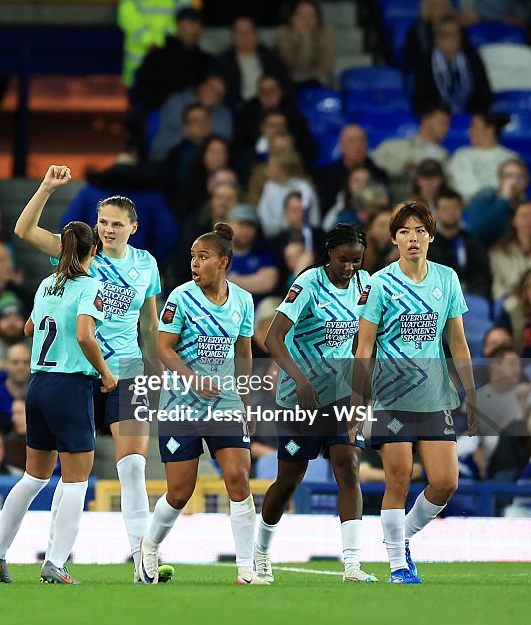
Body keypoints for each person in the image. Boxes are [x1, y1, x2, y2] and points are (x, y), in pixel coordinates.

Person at [14, 164, 168, 576]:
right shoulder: (79, 255)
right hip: (79, 372)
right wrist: (46, 188)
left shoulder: (146, 265)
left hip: (128, 371)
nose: (107, 230)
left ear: (133, 227)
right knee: (69, 476)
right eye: (102, 222)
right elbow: (27, 230)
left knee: (133, 467)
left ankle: (142, 559)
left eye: (117, 224)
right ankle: (55, 558)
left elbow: (149, 324)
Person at [0, 221, 116, 585]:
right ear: (93, 251)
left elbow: (28, 329)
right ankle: (55, 562)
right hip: (70, 386)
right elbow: (85, 334)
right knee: (76, 481)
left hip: (37, 385)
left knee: (33, 477)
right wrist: (104, 372)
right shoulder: (90, 287)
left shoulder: (46, 284)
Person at [353, 201, 478, 584]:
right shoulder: (379, 283)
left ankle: (400, 537)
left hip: (435, 396)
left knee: (445, 482)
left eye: (420, 230)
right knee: (399, 478)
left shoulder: (447, 280)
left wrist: (471, 393)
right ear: (393, 238)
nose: (413, 238)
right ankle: (397, 566)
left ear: (431, 236)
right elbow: (365, 346)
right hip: (390, 397)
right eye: (405, 231)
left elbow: (457, 341)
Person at [137, 223, 260, 586]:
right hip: (180, 406)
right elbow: (163, 347)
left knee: (238, 477)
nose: (194, 263)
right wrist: (191, 378)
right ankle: (150, 544)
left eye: (202, 257)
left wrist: (247, 398)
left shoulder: (242, 300)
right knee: (180, 491)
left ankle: (246, 569)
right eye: (192, 257)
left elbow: (244, 351)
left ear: (222, 262)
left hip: (225, 403)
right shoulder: (180, 298)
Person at [254, 224, 377, 583]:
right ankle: (260, 552)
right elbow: (272, 337)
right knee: (289, 480)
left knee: (348, 466)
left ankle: (352, 565)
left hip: (339, 394)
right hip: (299, 397)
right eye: (343, 260)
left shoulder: (364, 284)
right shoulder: (308, 284)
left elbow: (363, 339)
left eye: (357, 260)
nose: (350, 267)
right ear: (329, 255)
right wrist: (301, 379)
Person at [412, 17, 492, 116]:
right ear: (436, 38)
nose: (451, 39)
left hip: (470, 118)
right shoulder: (425, 62)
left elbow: (485, 94)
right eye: (445, 34)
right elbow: (420, 100)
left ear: (460, 37)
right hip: (437, 119)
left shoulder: (472, 59)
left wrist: (474, 115)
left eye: (455, 34)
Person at [426, 188, 492, 300]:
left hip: (469, 298)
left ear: (462, 210)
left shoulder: (473, 243)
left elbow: (483, 275)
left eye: (455, 208)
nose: (451, 213)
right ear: (436, 213)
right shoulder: (426, 246)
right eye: (445, 209)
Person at [447, 112, 518, 202]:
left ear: (490, 130)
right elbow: (459, 186)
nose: (469, 131)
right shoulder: (461, 155)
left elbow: (511, 191)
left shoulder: (510, 159)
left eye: (473, 126)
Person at [272, 0, 336, 88]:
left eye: (311, 15)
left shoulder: (326, 32)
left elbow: (325, 65)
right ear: (291, 17)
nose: (307, 20)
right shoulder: (282, 34)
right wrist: (305, 39)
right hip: (290, 82)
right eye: (302, 15)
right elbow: (291, 66)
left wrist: (308, 75)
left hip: (319, 81)